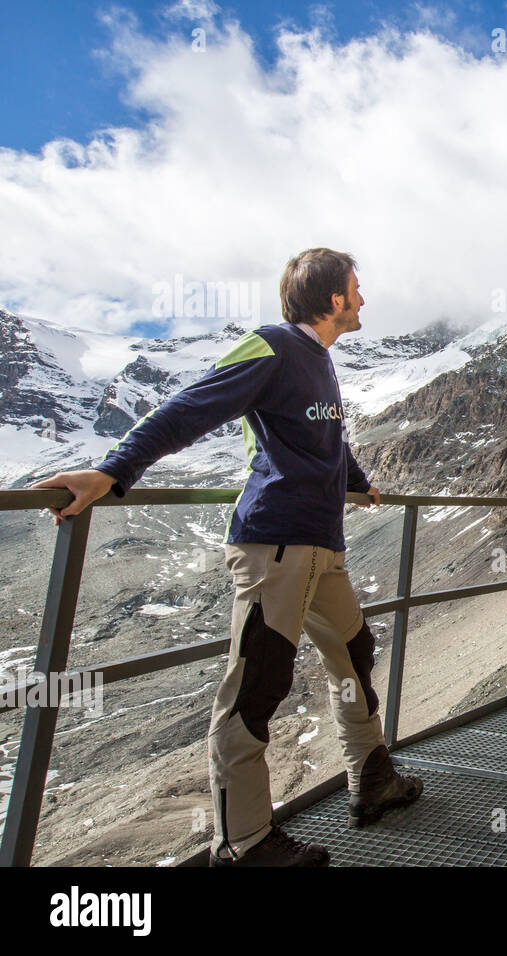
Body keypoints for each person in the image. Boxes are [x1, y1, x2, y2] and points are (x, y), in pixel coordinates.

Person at [31, 248, 422, 867]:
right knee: (254, 689)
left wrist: (357, 478)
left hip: (322, 548)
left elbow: (323, 436)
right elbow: (192, 407)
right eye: (356, 287)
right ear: (332, 299)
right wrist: (113, 471)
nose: (364, 298)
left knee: (354, 655)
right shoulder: (271, 346)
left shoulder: (319, 363)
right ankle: (243, 844)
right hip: (275, 547)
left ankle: (371, 780)